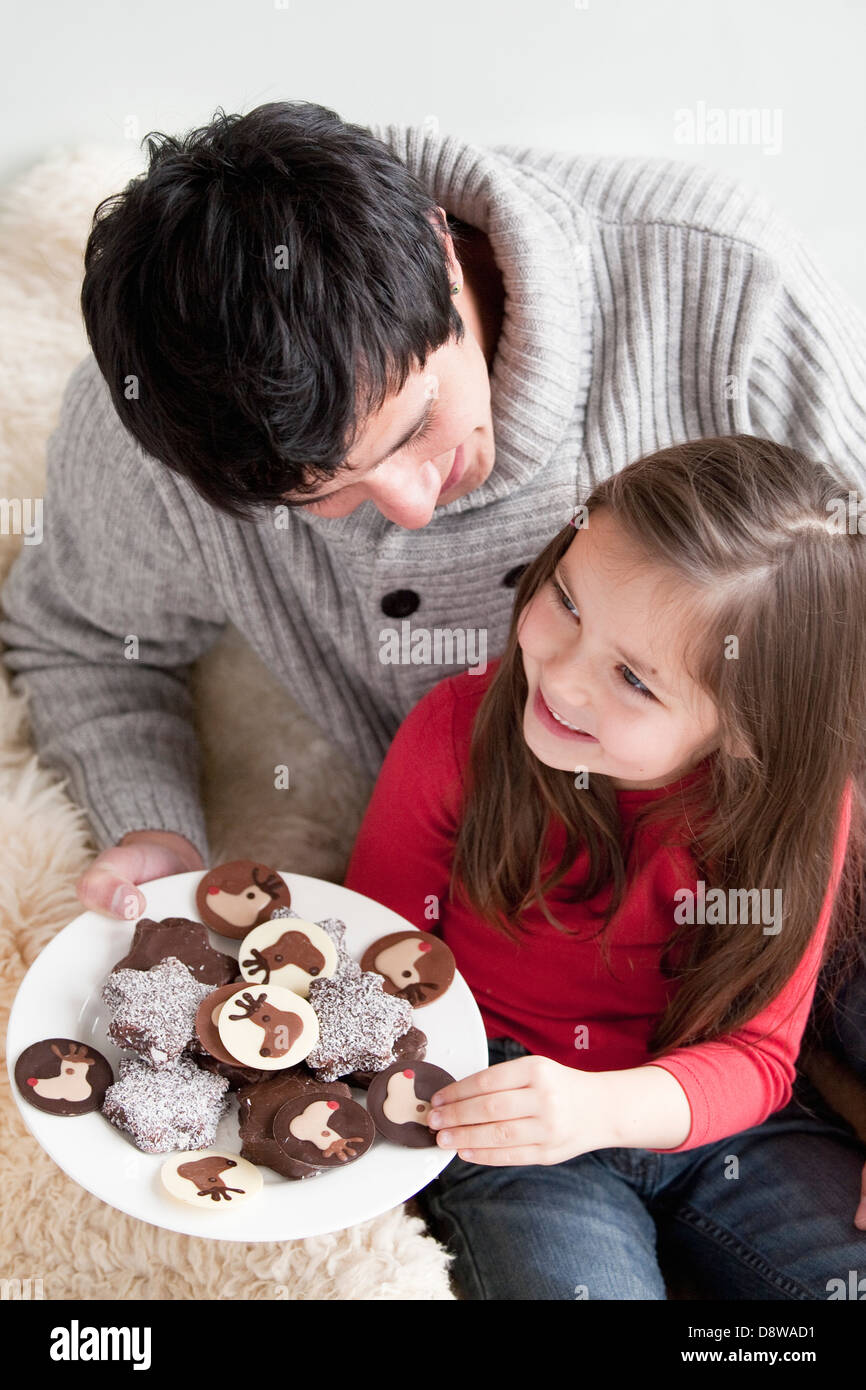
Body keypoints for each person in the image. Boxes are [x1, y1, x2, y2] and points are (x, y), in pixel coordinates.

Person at [0, 100, 865, 1244]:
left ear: (437, 247)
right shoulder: (151, 443)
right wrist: (159, 831)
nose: (409, 505)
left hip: (778, 851)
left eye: (418, 423)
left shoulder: (720, 282)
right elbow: (79, 642)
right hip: (496, 949)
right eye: (325, 496)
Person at [343, 434, 866, 1299]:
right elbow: (374, 966)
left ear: (747, 728)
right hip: (509, 1114)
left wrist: (609, 1106)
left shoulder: (801, 813)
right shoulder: (454, 736)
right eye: (568, 602)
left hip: (717, 1120)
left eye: (634, 677)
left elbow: (761, 1055)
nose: (565, 677)